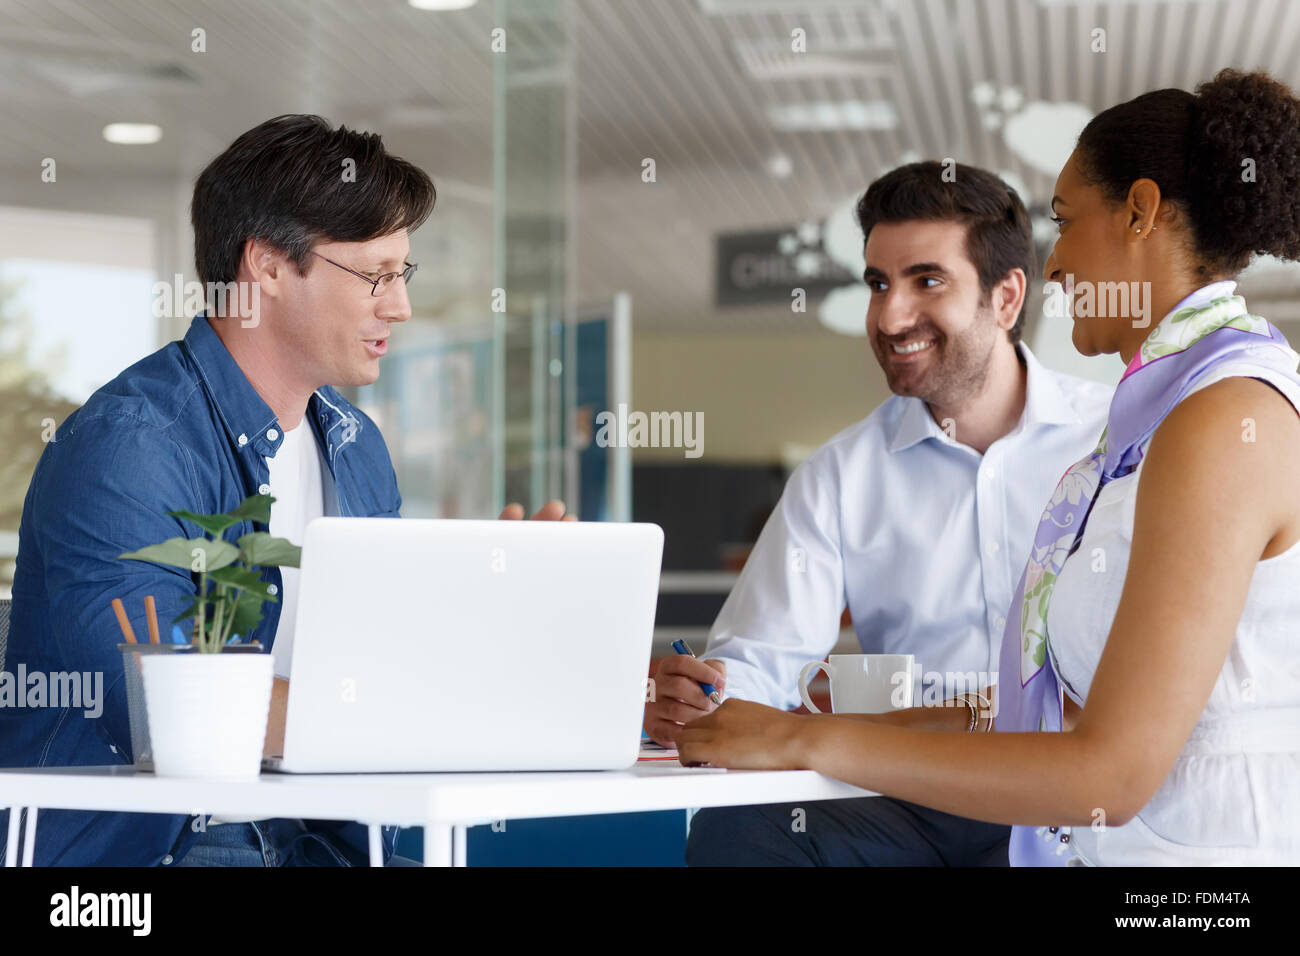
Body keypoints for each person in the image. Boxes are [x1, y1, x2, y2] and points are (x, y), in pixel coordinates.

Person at [678, 68, 1300, 866]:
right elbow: (1034, 716)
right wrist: (780, 730)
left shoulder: (1224, 420)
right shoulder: (1158, 421)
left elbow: (1107, 773)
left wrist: (807, 738)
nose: (1059, 265)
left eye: (1067, 222)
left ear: (1140, 212)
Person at [0, 114, 570, 867]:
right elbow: (166, 710)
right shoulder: (129, 446)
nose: (398, 306)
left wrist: (482, 628)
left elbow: (378, 669)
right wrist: (423, 713)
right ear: (266, 267)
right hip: (155, 858)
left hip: (317, 845)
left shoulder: (354, 446)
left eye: (404, 274)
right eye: (375, 275)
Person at [647, 162, 1113, 865]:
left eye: (927, 280)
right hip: (911, 800)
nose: (891, 316)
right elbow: (760, 661)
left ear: (1006, 296)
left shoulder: (1112, 442)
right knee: (737, 835)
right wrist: (702, 698)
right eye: (877, 283)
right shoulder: (840, 475)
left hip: (1075, 793)